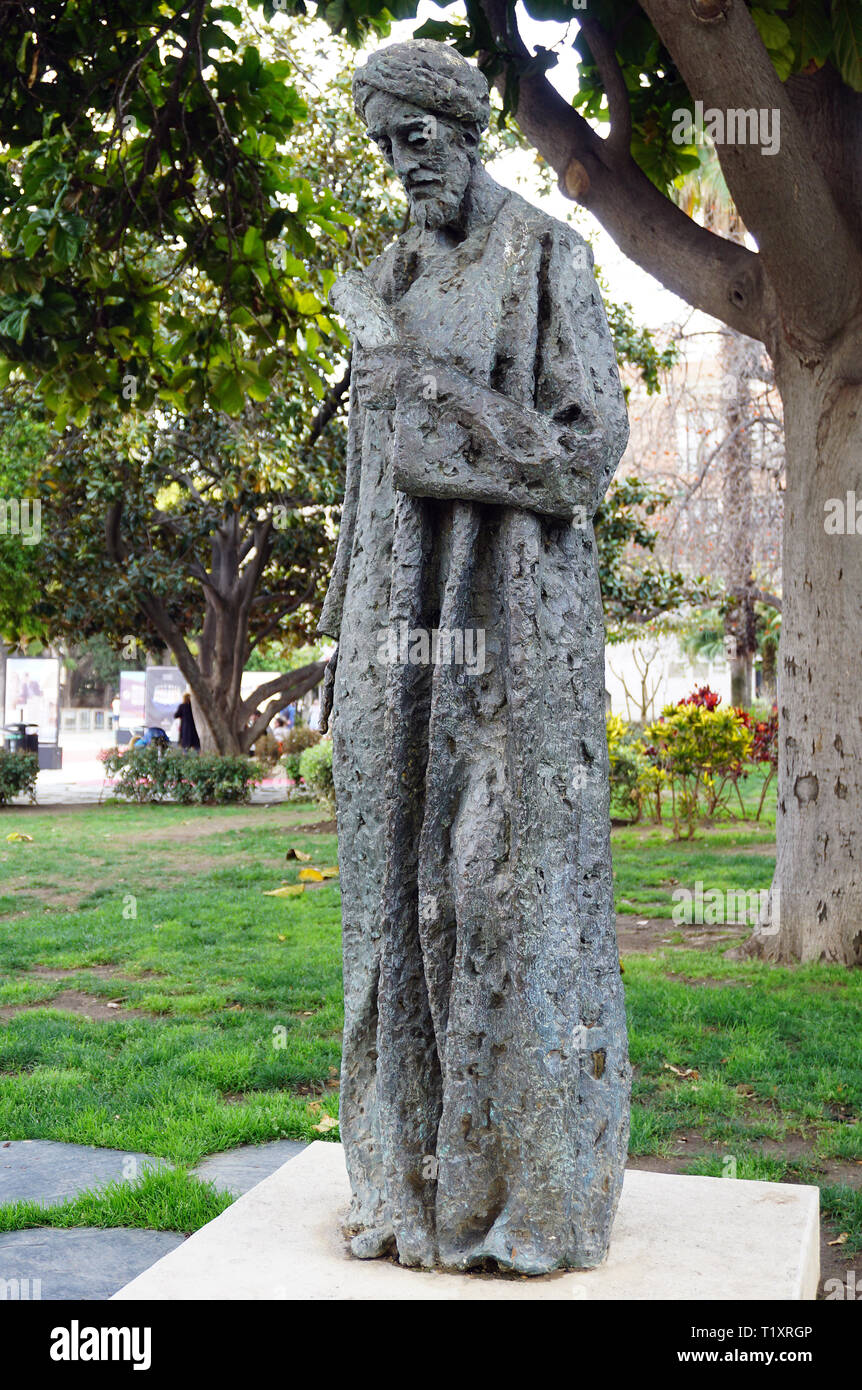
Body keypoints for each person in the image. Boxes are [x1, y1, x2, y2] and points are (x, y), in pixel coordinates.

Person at [317, 40, 630, 1274]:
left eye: (420, 137)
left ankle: (531, 1200)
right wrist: (341, 645)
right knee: (390, 907)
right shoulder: (387, 271)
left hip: (508, 641)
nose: (402, 164)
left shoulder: (545, 255)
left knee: (505, 900)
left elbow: (580, 451)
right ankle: (403, 1188)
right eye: (385, 145)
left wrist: (423, 393)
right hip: (394, 645)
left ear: (467, 125)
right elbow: (361, 487)